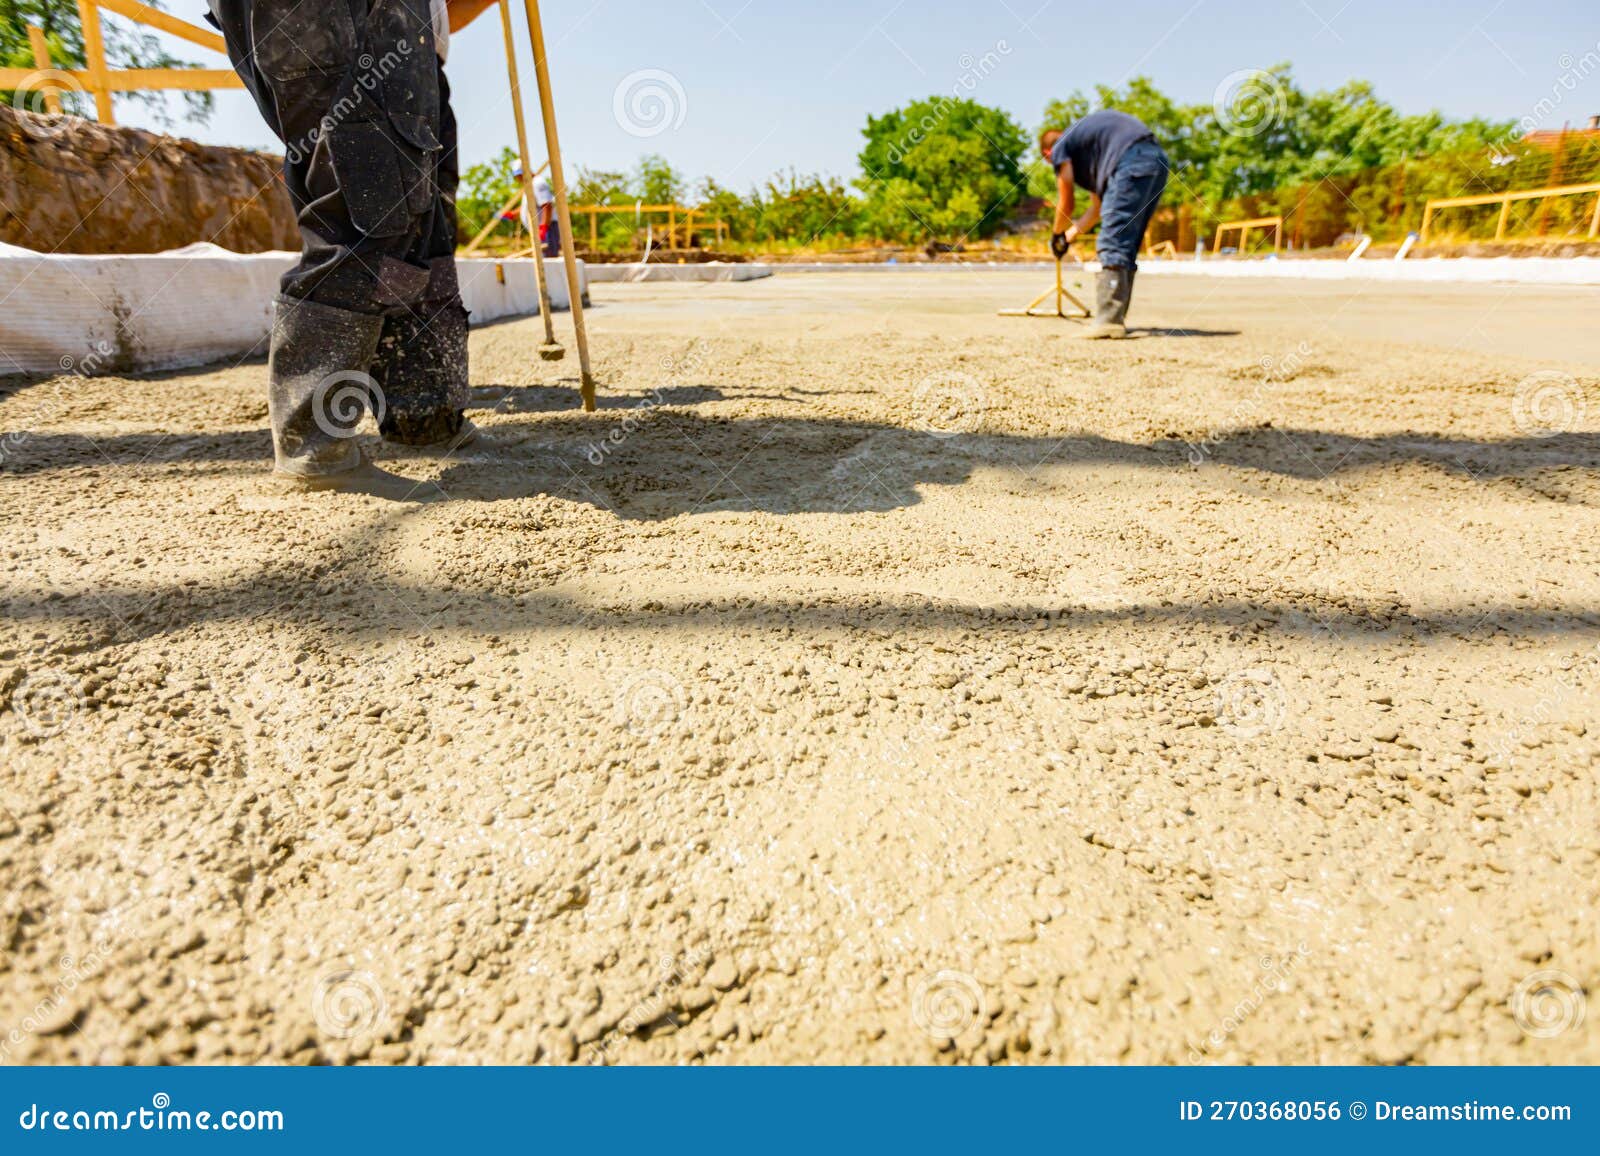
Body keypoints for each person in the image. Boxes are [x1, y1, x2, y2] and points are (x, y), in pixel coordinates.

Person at [206, 0, 498, 489]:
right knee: (368, 192)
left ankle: (422, 416)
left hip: (402, 30)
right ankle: (315, 443)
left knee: (415, 212)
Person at [1041, 110, 1170, 339]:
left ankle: (1109, 321)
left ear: (1047, 154)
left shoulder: (1062, 147)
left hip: (1131, 160)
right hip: (1156, 161)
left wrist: (1056, 234)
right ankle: (1114, 317)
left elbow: (1066, 202)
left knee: (1112, 241)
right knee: (1126, 243)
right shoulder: (1092, 152)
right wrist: (1068, 236)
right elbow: (1097, 209)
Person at [513, 165, 561, 257]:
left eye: (520, 176)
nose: (519, 179)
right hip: (540, 230)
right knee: (542, 260)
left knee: (548, 261)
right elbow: (528, 207)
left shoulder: (538, 183)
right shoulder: (530, 185)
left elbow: (547, 206)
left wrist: (543, 228)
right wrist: (511, 214)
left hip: (547, 229)